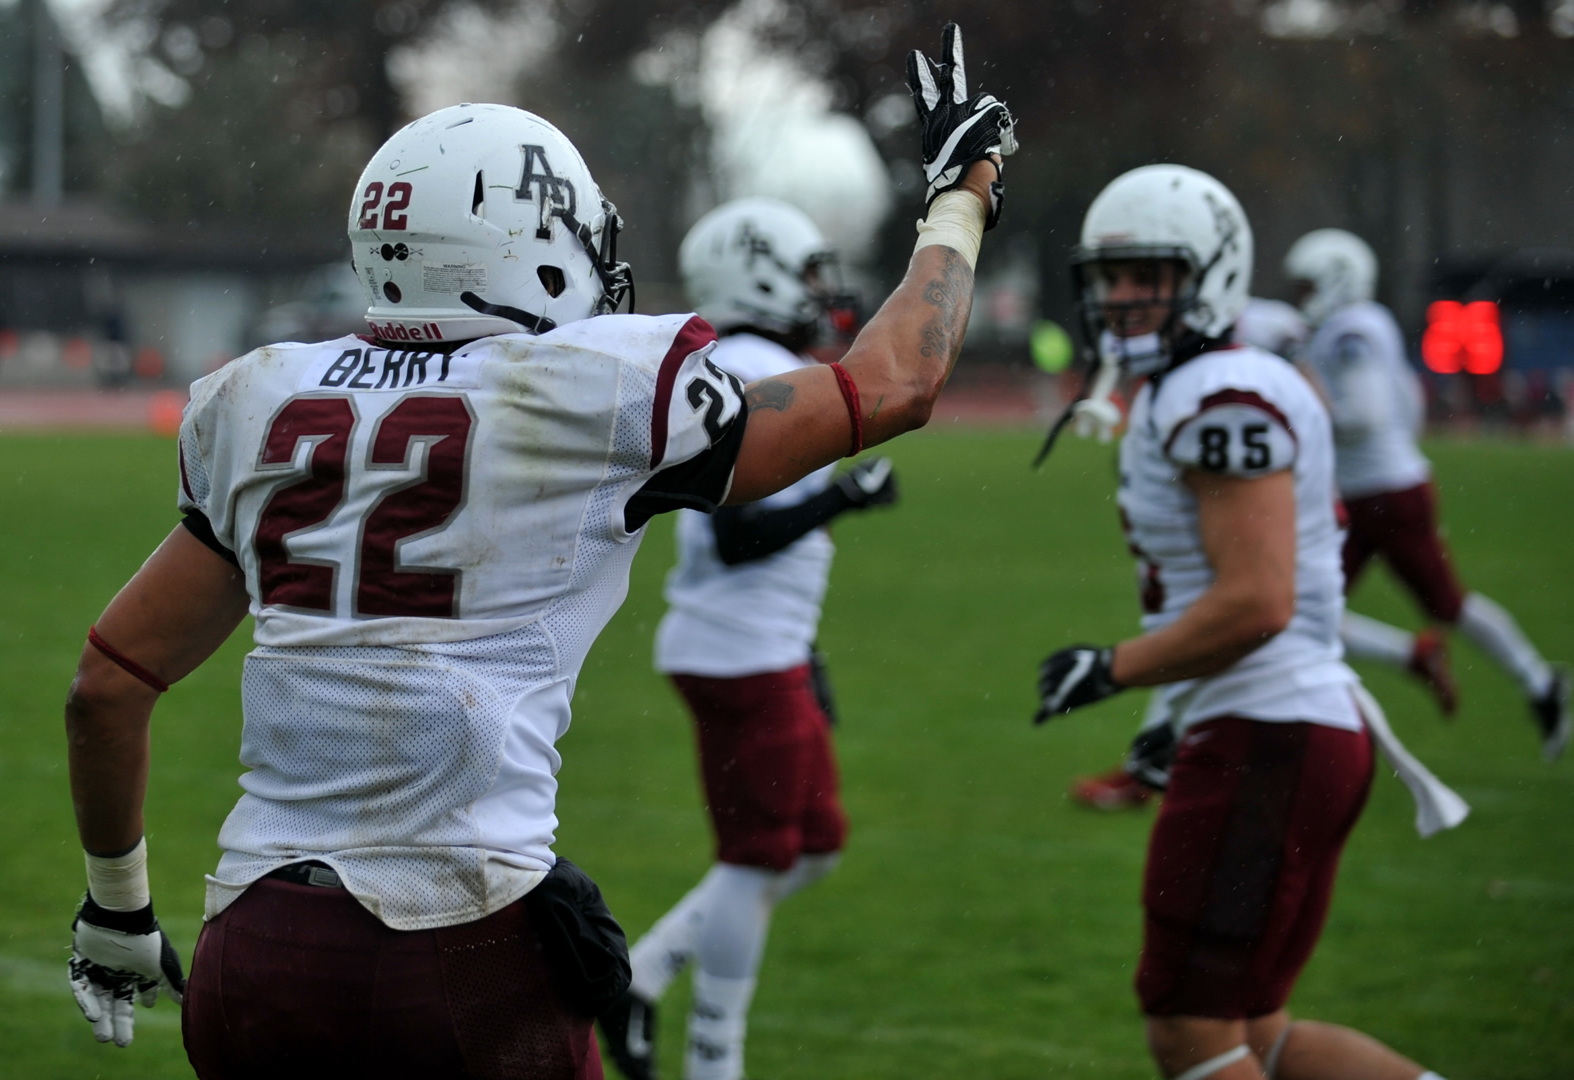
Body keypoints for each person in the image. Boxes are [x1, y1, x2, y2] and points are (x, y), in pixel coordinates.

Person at [60, 26, 1016, 1079]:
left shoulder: (261, 398)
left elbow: (110, 683)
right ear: (534, 244)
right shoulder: (584, 390)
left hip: (256, 952)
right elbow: (890, 385)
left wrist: (117, 906)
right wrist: (958, 200)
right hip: (457, 949)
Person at [1032, 164, 1462, 1080]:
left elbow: (1257, 599)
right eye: (1109, 279)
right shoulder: (1222, 379)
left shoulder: (1216, 391)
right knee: (1257, 1032)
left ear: (1211, 272)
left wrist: (1112, 668)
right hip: (1288, 729)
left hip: (1269, 734)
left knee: (1191, 1032)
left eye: (1146, 276)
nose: (1122, 300)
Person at [600, 198, 897, 1080]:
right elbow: (736, 536)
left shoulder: (737, 361)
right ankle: (712, 1059)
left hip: (757, 644)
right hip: (740, 650)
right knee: (759, 857)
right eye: (808, 273)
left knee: (813, 845)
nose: (820, 293)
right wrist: (846, 498)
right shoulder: (758, 364)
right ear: (759, 269)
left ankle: (641, 976)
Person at [1065, 294, 1458, 811]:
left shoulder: (1259, 328)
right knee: (1253, 612)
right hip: (1271, 485)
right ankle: (1408, 655)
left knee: (1225, 611)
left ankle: (1147, 764)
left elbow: (1311, 396)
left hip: (1262, 491)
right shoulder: (1237, 322)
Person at [1284, 228, 1568, 758]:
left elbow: (1363, 414)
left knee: (1431, 605)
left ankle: (1536, 682)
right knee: (1305, 609)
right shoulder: (1365, 324)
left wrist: (1302, 401)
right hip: (1382, 487)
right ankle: (1436, 662)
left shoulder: (1350, 332)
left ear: (1334, 280)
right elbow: (1408, 403)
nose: (1300, 295)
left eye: (1306, 284)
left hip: (1381, 495)